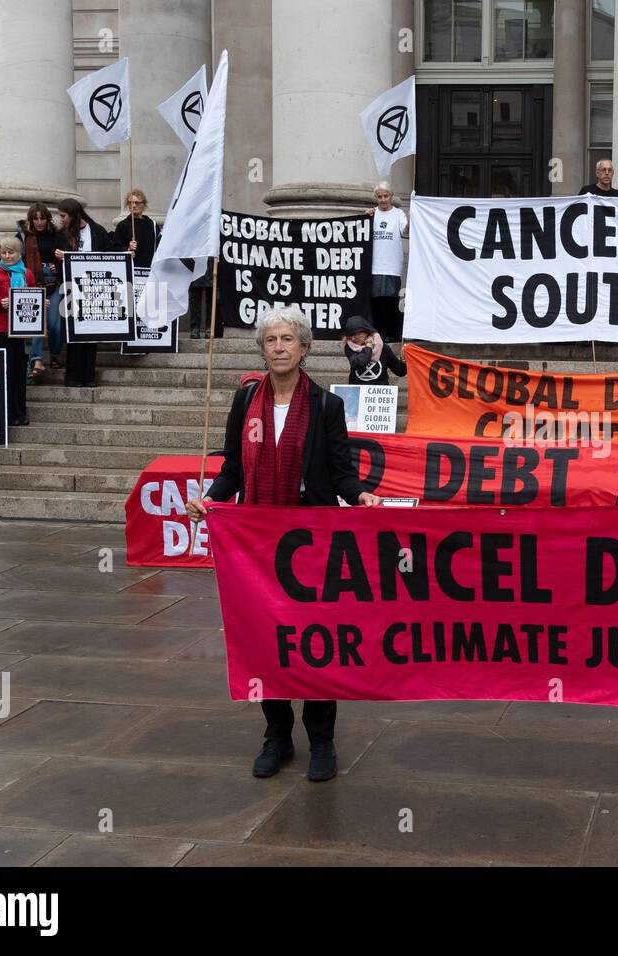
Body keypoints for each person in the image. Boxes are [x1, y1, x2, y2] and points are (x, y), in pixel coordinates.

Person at [185, 305, 382, 782]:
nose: (278, 347)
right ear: (262, 348)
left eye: (287, 340)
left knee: (316, 640)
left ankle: (321, 739)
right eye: (270, 340)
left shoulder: (326, 406)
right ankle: (276, 735)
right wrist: (210, 498)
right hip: (258, 541)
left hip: (311, 541)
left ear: (305, 348)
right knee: (265, 638)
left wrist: (361, 495)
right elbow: (233, 466)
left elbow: (339, 471)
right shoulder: (245, 401)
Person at [53, 198, 111, 387]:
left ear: (73, 214)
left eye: (63, 216)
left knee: (91, 334)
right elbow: (58, 264)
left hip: (94, 290)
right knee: (75, 333)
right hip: (72, 289)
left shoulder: (98, 231)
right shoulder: (62, 235)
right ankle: (73, 376)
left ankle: (89, 376)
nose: (61, 219)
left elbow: (107, 258)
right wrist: (62, 261)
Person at [0, 237, 36, 427]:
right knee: (6, 372)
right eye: (3, 252)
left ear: (19, 254)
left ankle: (21, 413)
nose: (7, 256)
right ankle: (8, 414)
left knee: (20, 372)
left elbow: (32, 296)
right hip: (1, 329)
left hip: (22, 329)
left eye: (11, 252)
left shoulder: (27, 274)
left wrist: (40, 303)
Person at [17, 202, 69, 378]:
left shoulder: (57, 235)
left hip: (54, 282)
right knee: (35, 323)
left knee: (55, 324)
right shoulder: (24, 236)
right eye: (35, 218)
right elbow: (11, 254)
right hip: (32, 282)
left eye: (42, 218)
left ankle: (54, 353)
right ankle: (37, 360)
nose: (39, 222)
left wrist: (57, 265)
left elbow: (67, 256)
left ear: (48, 219)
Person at [364, 182, 409, 342]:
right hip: (374, 265)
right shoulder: (371, 213)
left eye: (386, 196)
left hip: (391, 265)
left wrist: (411, 218)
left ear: (391, 196)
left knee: (390, 300)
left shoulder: (398, 214)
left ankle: (391, 334)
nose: (383, 200)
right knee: (375, 301)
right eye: (379, 196)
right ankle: (377, 333)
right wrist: (364, 216)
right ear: (376, 198)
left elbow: (406, 231)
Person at [342, 315, 406, 385]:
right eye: (350, 336)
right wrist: (369, 346)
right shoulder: (350, 347)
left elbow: (400, 371)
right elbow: (360, 363)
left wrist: (404, 360)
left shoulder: (383, 347)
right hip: (358, 389)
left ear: (365, 332)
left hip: (379, 391)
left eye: (355, 335)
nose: (353, 339)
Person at [112, 189, 161, 268]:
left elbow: (159, 247)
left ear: (144, 204)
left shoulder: (153, 225)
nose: (134, 205)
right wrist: (127, 249)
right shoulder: (123, 225)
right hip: (131, 269)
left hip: (150, 269)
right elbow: (114, 248)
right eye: (130, 203)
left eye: (137, 203)